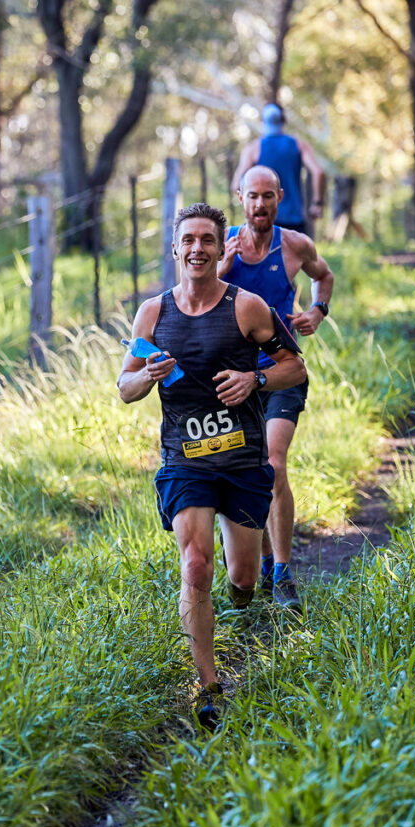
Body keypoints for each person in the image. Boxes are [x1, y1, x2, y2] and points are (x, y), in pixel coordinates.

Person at [118, 202, 306, 731]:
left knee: (241, 580)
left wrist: (257, 381)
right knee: (195, 564)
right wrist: (148, 375)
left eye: (207, 239)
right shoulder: (153, 314)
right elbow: (125, 387)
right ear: (175, 249)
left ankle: (247, 589)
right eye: (188, 240)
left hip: (242, 459)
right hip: (185, 459)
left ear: (221, 248)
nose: (197, 248)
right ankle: (208, 687)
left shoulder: (247, 308)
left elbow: (295, 366)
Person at [220, 165, 335, 613]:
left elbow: (322, 275)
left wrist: (317, 311)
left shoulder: (295, 245)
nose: (260, 204)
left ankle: (284, 574)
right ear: (240, 197)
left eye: (269, 196)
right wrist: (223, 270)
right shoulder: (219, 245)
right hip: (231, 380)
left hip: (282, 369)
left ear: (280, 198)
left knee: (273, 461)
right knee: (243, 471)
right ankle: (263, 563)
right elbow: (190, 294)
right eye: (253, 196)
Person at [232, 103, 325, 236]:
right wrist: (317, 203)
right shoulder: (298, 145)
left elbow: (236, 185)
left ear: (263, 121)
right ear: (284, 120)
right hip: (294, 220)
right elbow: (318, 172)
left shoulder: (253, 149)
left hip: (262, 220)